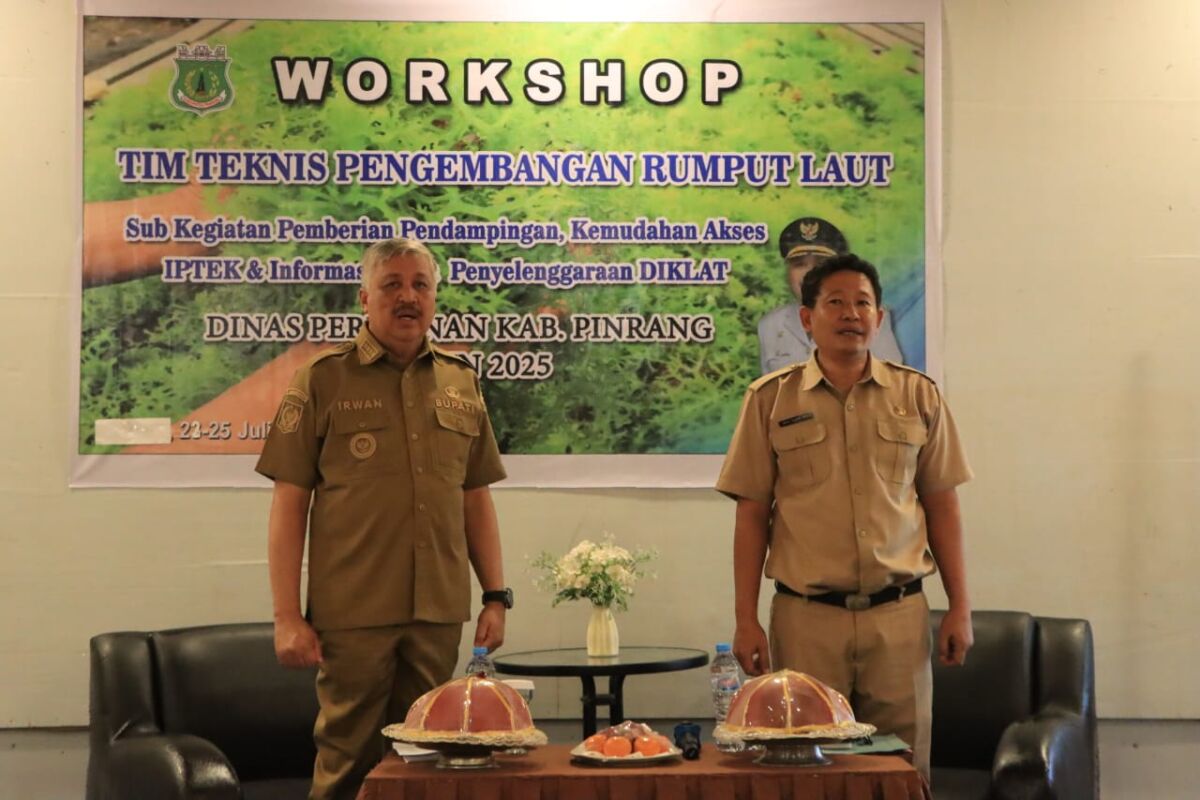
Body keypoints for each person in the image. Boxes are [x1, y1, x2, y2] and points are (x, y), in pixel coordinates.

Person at [255, 238, 512, 800]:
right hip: (354, 611)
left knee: (430, 761)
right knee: (350, 760)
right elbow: (289, 503)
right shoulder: (323, 380)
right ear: (364, 298)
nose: (407, 297)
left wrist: (495, 594)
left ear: (435, 298)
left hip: (437, 611)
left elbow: (475, 497)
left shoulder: (460, 381)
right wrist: (285, 616)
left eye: (420, 285)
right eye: (392, 284)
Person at [718, 253, 973, 782]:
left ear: (879, 319)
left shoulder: (917, 396)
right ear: (807, 318)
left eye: (863, 303)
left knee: (902, 771)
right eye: (835, 302)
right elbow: (751, 514)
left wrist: (960, 607)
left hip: (898, 620)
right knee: (807, 771)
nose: (851, 313)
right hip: (806, 620)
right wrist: (746, 618)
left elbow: (942, 504)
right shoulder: (769, 399)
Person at [758, 217, 904, 373]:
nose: (808, 273)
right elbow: (770, 391)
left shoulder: (868, 317)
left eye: (820, 264)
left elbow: (890, 384)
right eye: (799, 264)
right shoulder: (771, 324)